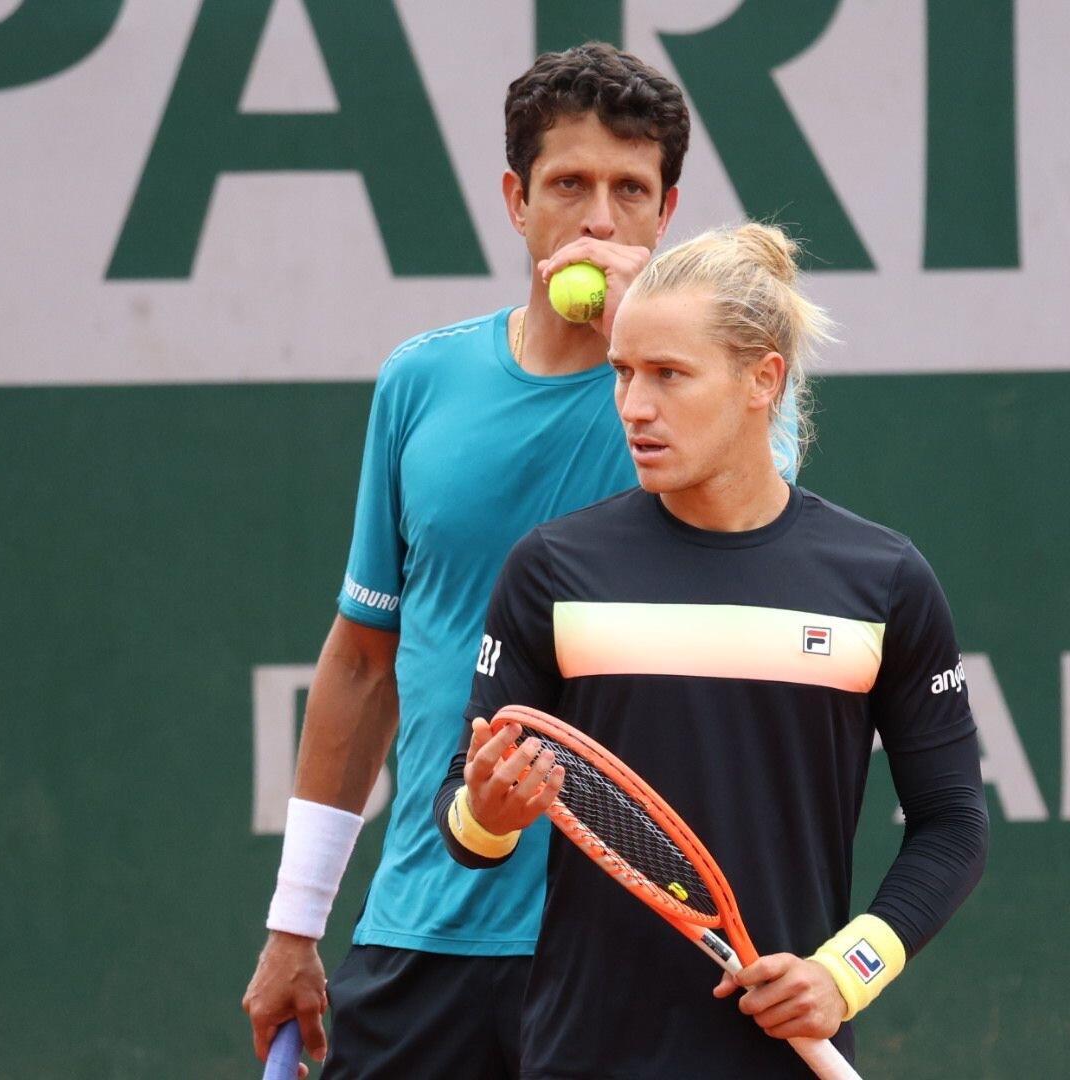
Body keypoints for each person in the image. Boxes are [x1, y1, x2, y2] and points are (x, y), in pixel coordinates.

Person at [242, 43, 796, 1079]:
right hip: (426, 927)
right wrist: (294, 924)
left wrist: (650, 329)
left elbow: (756, 544)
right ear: (516, 199)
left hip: (629, 939)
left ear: (667, 211)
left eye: (631, 190)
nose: (600, 219)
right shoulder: (421, 382)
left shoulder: (709, 398)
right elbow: (364, 662)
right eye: (569, 185)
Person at [436, 223, 990, 1078]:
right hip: (586, 1057)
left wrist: (846, 973)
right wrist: (491, 814)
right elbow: (465, 821)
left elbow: (954, 825)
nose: (634, 406)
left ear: (761, 379)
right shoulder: (552, 570)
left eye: (669, 375)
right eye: (623, 372)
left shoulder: (883, 582)